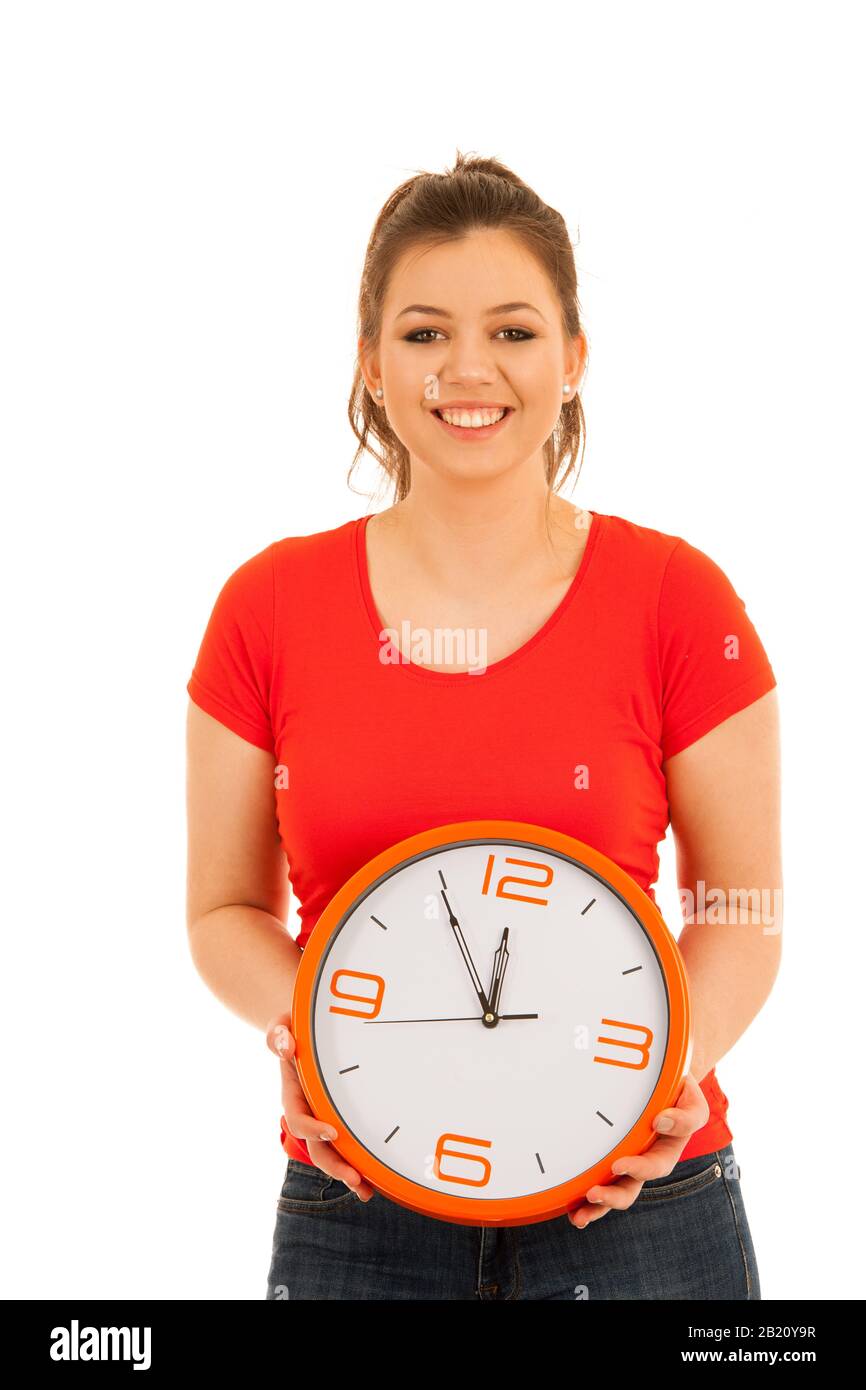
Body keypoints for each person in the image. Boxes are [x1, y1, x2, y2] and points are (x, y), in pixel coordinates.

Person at [185, 152, 781, 1301]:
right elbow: (222, 911)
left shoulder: (675, 598)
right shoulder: (265, 608)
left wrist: (669, 1075)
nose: (468, 369)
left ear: (572, 359)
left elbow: (741, 910)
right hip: (358, 1194)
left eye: (512, 330)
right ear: (368, 361)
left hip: (640, 1202)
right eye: (421, 334)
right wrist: (301, 1035)